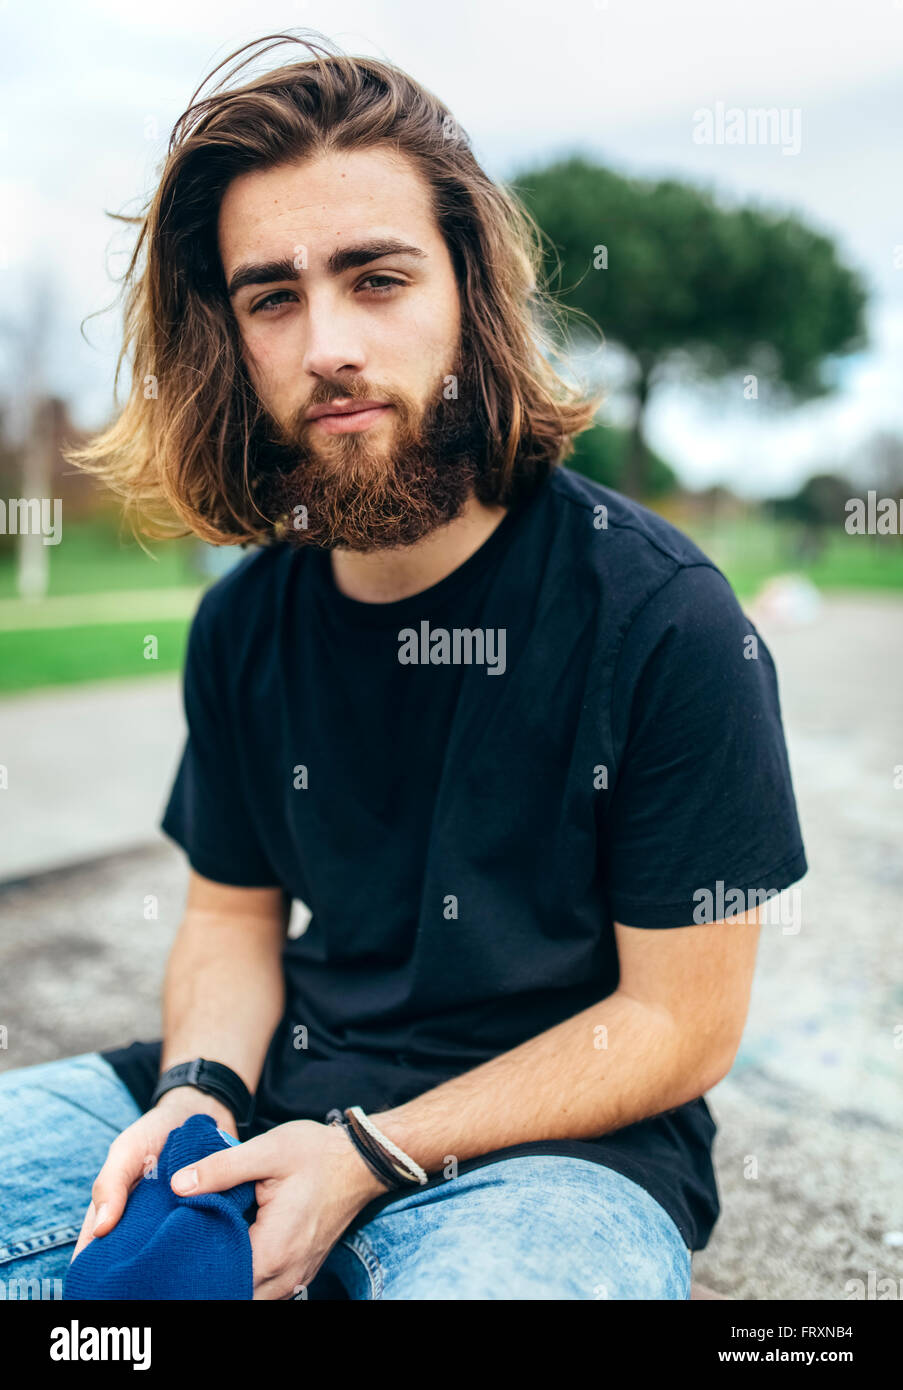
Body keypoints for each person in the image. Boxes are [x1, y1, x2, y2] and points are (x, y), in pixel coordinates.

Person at [1, 32, 807, 1301]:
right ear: (233, 339)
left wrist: (369, 1155)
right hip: (279, 1091)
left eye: (375, 278)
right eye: (273, 296)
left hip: (553, 1156)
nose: (327, 341)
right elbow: (227, 917)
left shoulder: (665, 620)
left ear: (469, 295)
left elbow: (680, 1021)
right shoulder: (243, 625)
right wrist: (198, 1093)